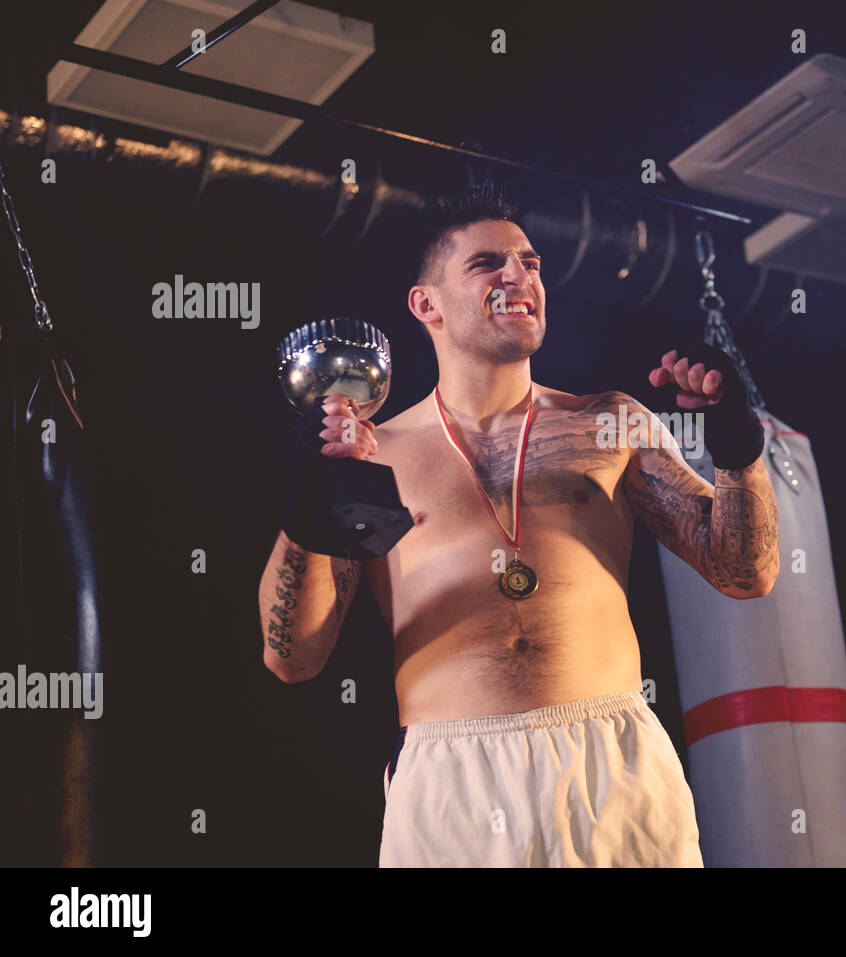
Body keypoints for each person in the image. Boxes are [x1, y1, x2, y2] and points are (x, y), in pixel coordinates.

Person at [257, 181, 780, 867]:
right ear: (427, 305)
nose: (520, 276)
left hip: (610, 760)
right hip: (451, 778)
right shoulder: (372, 452)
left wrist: (741, 453)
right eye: (487, 264)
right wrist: (304, 526)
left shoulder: (609, 422)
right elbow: (292, 659)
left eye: (530, 262)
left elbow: (747, 573)